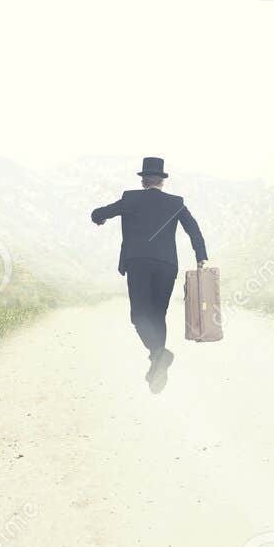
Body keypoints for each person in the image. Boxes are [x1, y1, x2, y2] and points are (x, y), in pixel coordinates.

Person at [90, 157, 208, 393]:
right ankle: (157, 368)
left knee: (138, 316)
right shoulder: (176, 203)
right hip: (166, 265)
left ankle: (159, 354)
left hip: (139, 263)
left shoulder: (130, 199)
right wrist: (201, 256)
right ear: (161, 181)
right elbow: (193, 229)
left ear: (143, 180)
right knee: (157, 314)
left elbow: (99, 213)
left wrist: (99, 218)